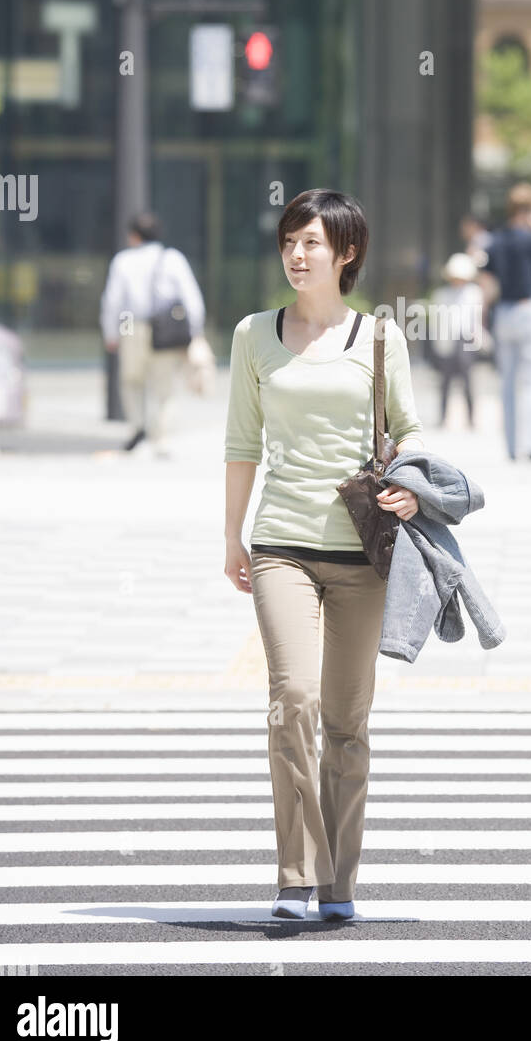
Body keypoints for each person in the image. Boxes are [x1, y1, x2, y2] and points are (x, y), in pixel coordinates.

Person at [223, 188, 425, 923]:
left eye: (311, 242)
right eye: (289, 240)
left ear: (346, 253)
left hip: (361, 551)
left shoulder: (378, 339)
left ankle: (339, 883)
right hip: (281, 545)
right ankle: (293, 873)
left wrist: (408, 485)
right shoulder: (254, 334)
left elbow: (409, 429)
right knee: (293, 702)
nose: (296, 254)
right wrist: (231, 535)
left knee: (346, 721)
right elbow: (242, 443)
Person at [100, 212, 206, 457]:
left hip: (130, 326)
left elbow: (113, 301)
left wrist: (111, 333)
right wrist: (195, 331)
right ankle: (162, 438)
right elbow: (192, 298)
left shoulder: (123, 261)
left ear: (134, 236)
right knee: (165, 386)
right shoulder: (172, 258)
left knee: (131, 380)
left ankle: (137, 426)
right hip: (166, 329)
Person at [478, 182, 531, 463]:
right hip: (530, 310)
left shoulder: (496, 240)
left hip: (504, 313)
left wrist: (483, 316)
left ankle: (513, 447)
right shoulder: (530, 239)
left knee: (508, 383)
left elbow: (487, 284)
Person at [427, 253, 484, 429]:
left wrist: (478, 337)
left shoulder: (474, 293)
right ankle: (443, 417)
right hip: (446, 339)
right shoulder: (441, 294)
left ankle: (471, 419)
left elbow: (476, 319)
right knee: (445, 381)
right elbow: (437, 321)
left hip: (465, 339)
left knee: (467, 380)